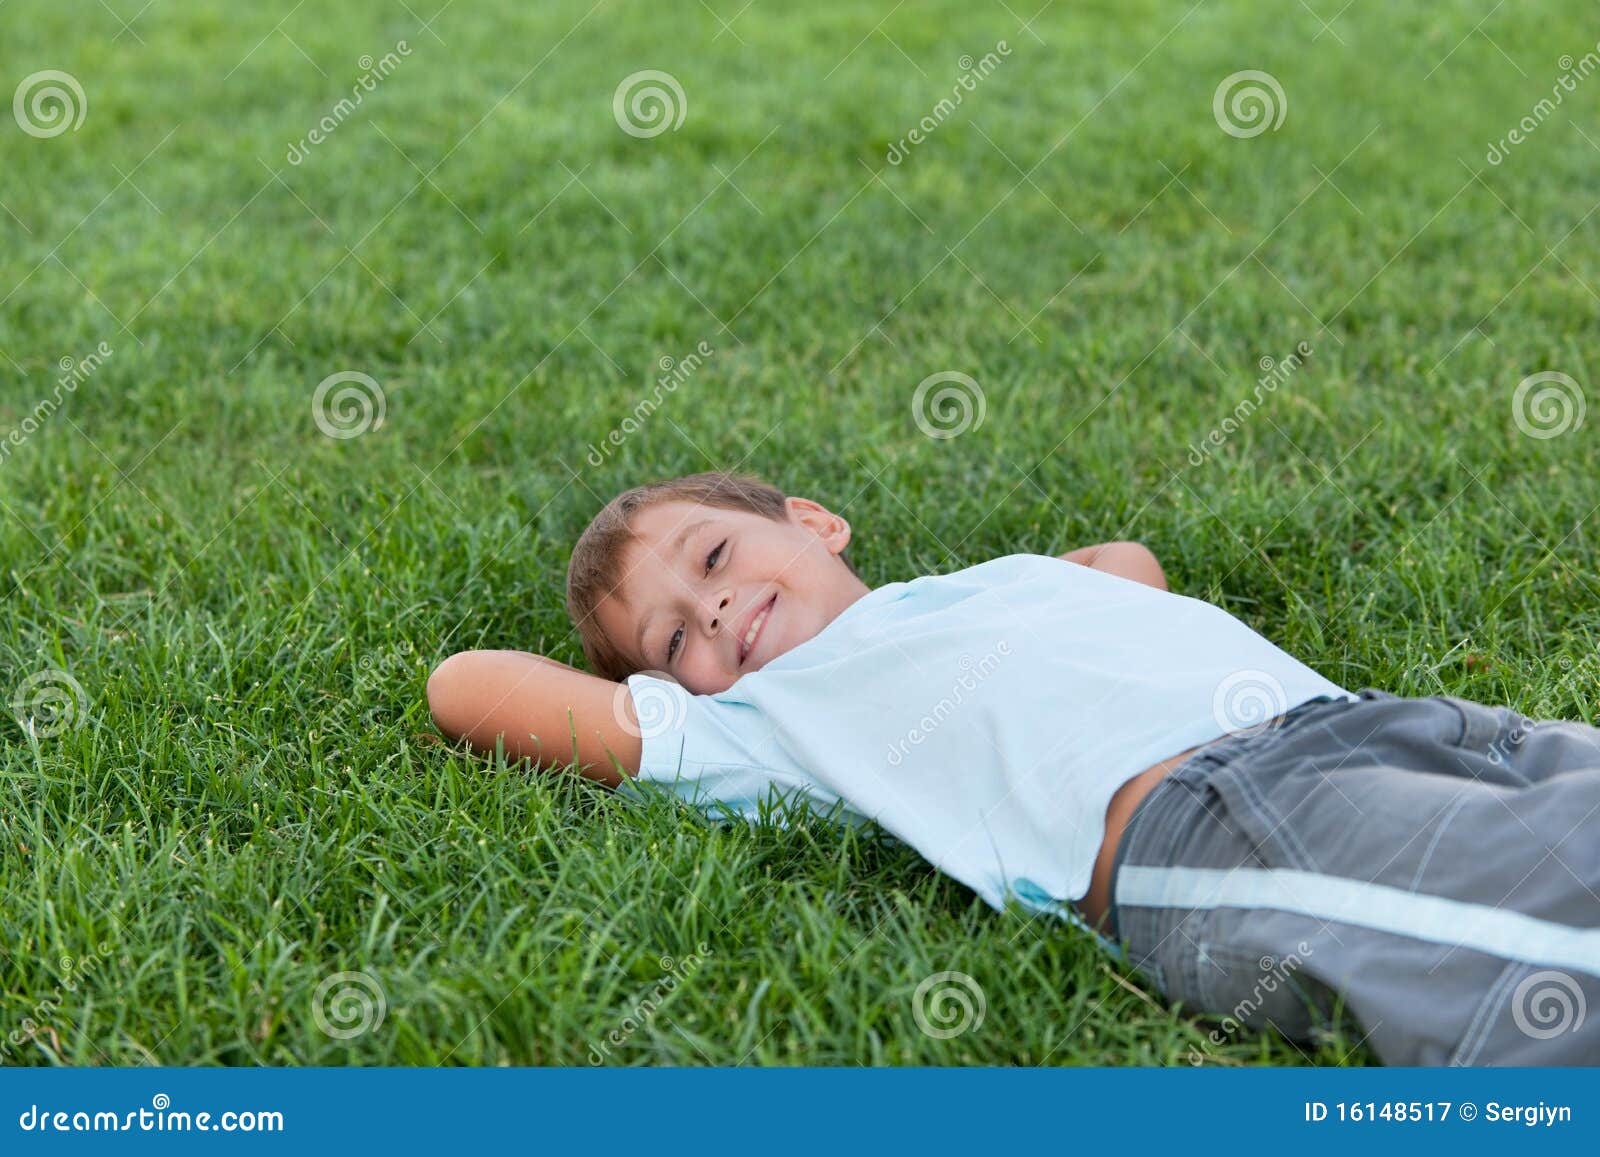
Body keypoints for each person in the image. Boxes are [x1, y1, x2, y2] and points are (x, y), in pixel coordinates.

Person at [426, 471, 1600, 1065]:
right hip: (1215, 819)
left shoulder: (978, 589)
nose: (716, 609)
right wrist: (675, 698)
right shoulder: (771, 720)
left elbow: (1121, 563)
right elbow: (465, 684)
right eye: (673, 637)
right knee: (1541, 925)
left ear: (815, 521)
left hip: (1374, 722)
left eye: (715, 555)